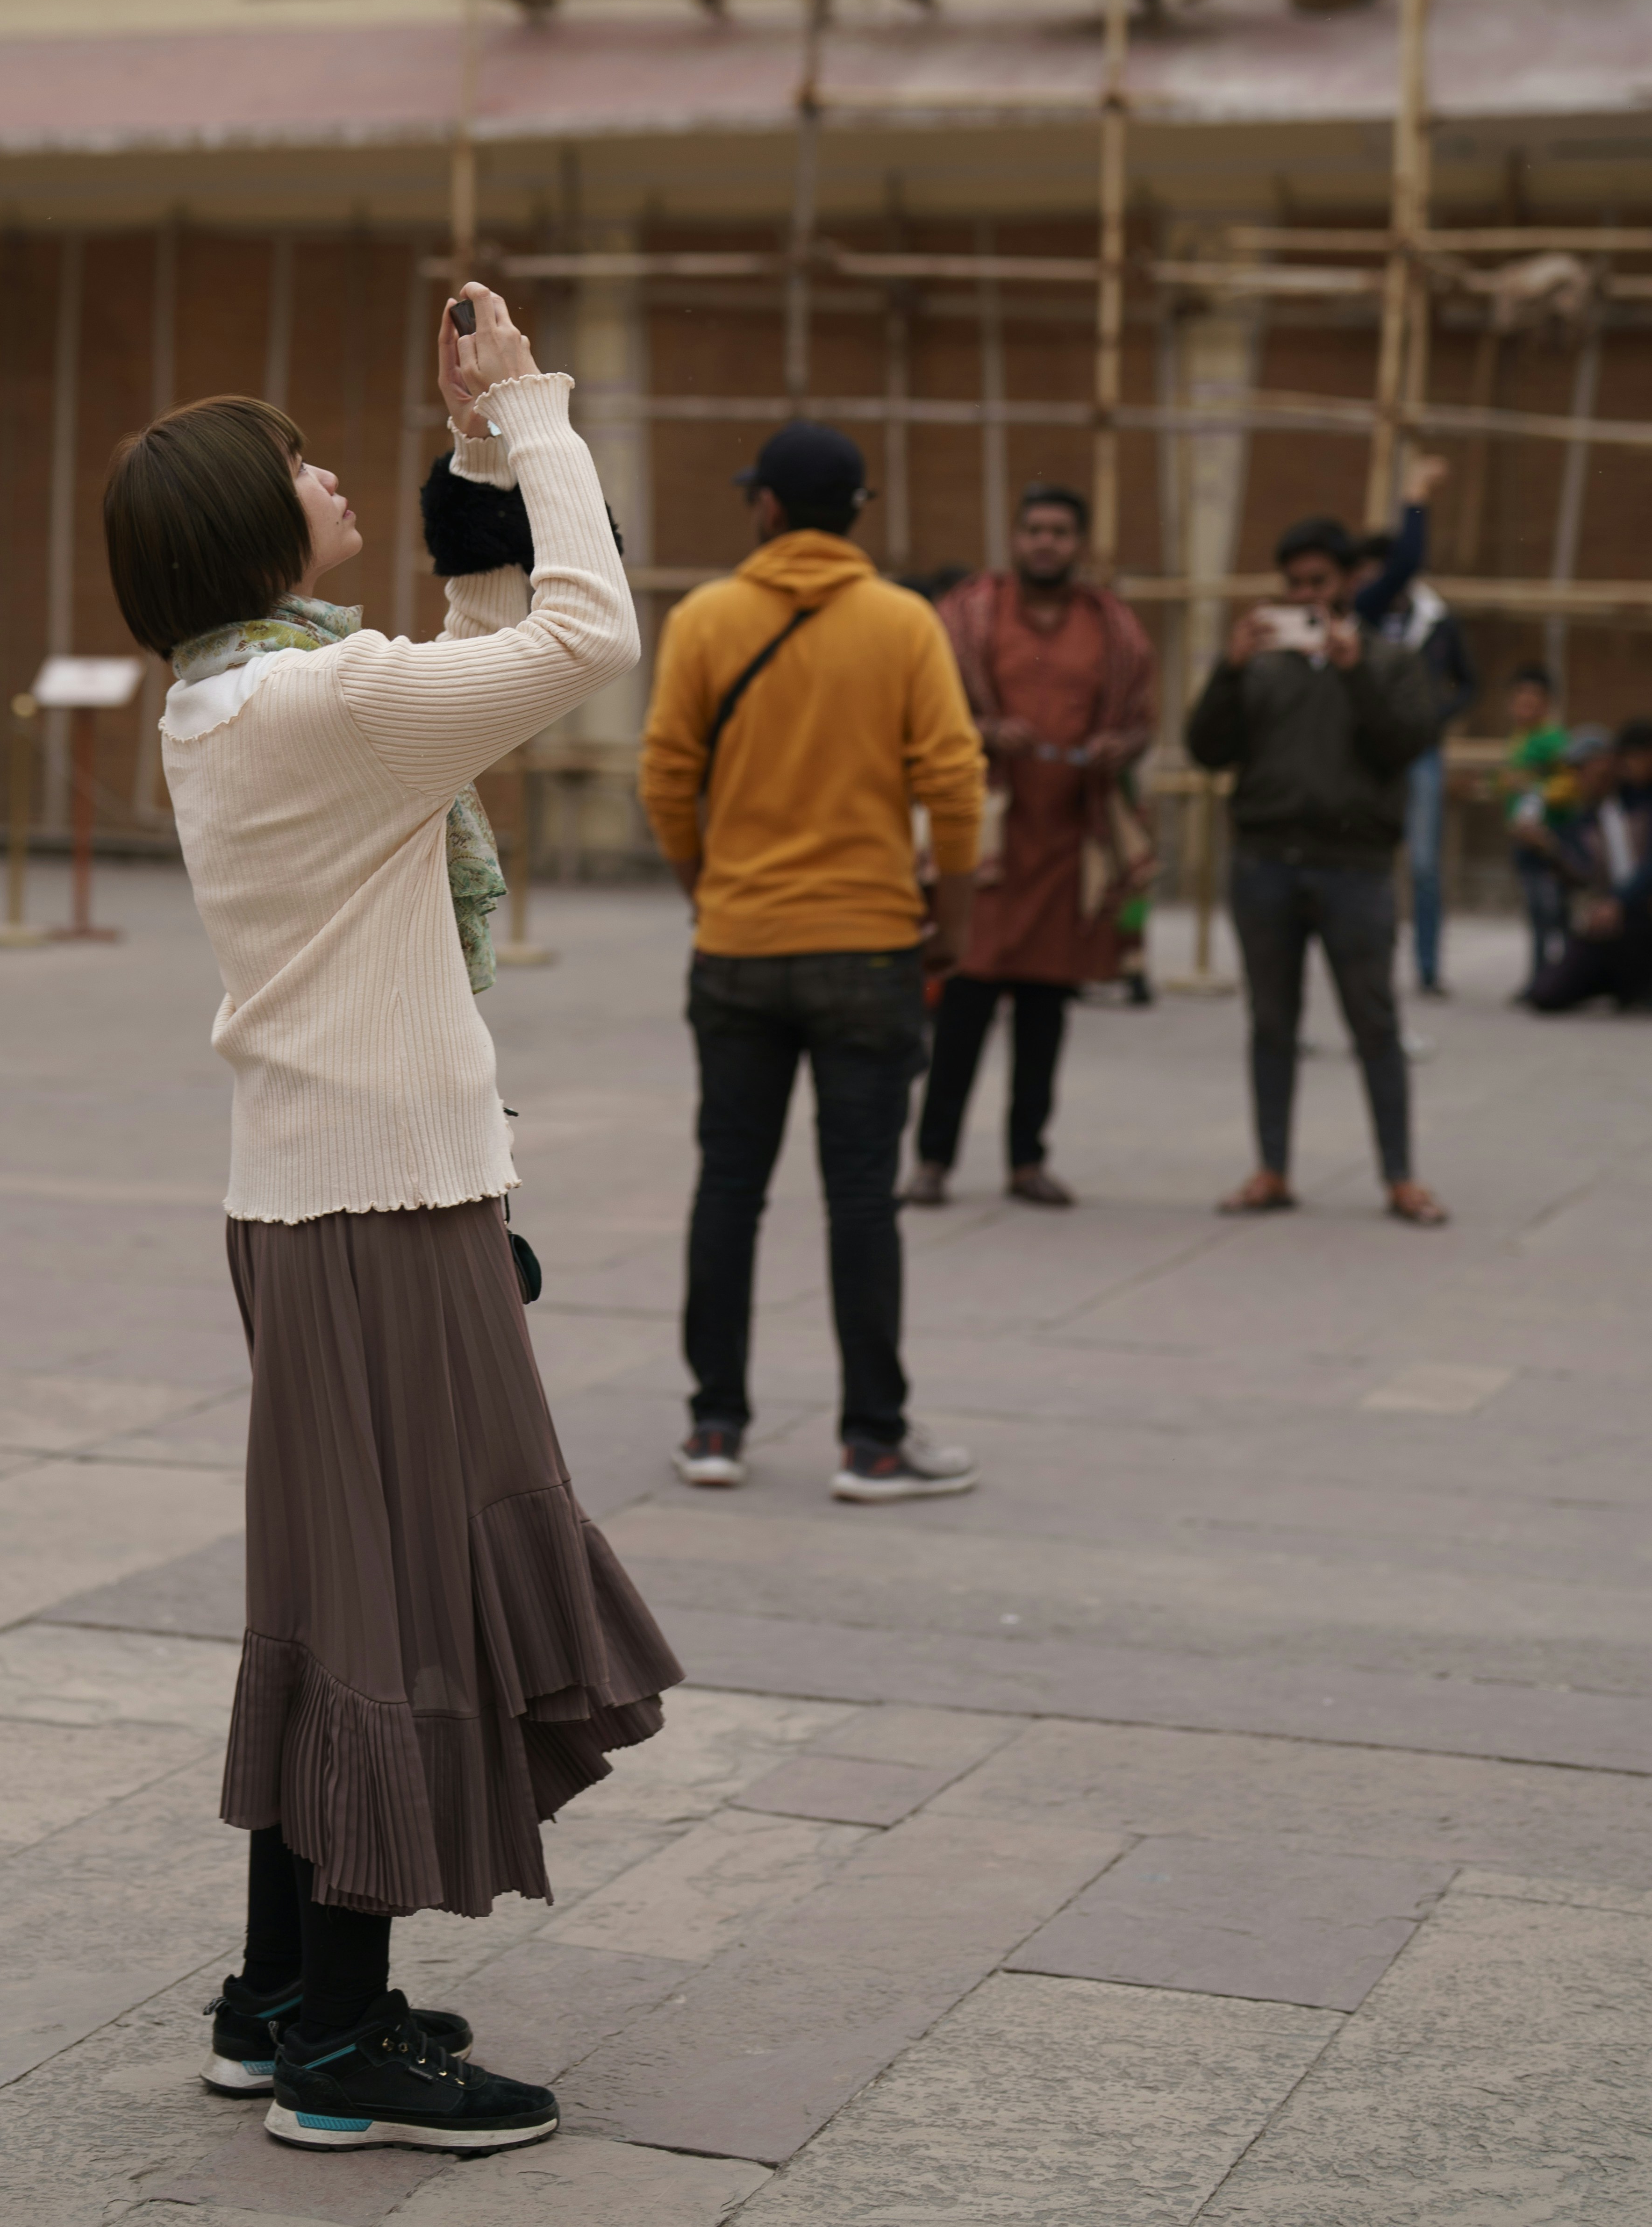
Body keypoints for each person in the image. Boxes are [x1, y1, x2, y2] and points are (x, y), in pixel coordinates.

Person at [105, 285, 679, 2159]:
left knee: (339, 1584)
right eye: (306, 463)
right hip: (373, 1206)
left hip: (330, 1192)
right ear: (253, 524)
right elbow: (587, 633)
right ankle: (342, 2041)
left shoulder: (251, 690)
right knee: (390, 1594)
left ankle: (278, 1999)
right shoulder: (323, 700)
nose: (326, 468)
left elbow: (478, 648)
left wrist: (461, 461)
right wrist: (532, 413)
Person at [637, 419, 987, 1504]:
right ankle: (872, 1441)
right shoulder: (902, 623)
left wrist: (711, 889)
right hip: (869, 948)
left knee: (729, 1186)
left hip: (739, 948)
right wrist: (955, 919)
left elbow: (662, 778)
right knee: (859, 1197)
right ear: (854, 513)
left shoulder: (704, 618)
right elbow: (954, 784)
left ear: (769, 507)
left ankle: (714, 1427)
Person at [1185, 514, 1448, 1225]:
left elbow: (1404, 745)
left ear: (1348, 585)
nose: (1307, 597)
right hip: (1266, 862)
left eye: (1320, 583)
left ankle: (1399, 1176)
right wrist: (1228, 670)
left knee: (1374, 1023)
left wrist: (1355, 671)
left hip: (1354, 868)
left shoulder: (1389, 662)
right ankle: (1272, 1168)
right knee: (1272, 1022)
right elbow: (1206, 749)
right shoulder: (1263, 661)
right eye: (1295, 584)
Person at [908, 482, 1156, 1209]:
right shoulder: (969, 617)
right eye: (1035, 530)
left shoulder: (1113, 628)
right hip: (983, 849)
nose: (1046, 542)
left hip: (1064, 847)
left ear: (1080, 544)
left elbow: (1144, 719)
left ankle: (1027, 1162)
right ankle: (932, 1160)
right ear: (1016, 537)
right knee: (963, 1010)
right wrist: (980, 731)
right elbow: (926, 703)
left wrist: (1121, 745)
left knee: (1047, 1014)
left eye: (1060, 532)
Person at [1349, 505, 1476, 999]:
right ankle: (1366, 959)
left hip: (1420, 750)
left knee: (1423, 863)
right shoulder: (1363, 617)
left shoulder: (1436, 620)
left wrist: (1436, 715)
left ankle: (1427, 966)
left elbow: (1469, 681)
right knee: (1367, 854)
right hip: (1370, 752)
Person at [1527, 721, 1652, 1013]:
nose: (1583, 778)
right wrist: (1548, 849)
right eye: (1577, 771)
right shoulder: (1581, 821)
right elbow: (1580, 876)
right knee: (1546, 994)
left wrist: (1619, 901)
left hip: (1641, 914)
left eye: (1587, 768)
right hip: (1605, 924)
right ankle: (1612, 981)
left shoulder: (1642, 804)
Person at [1499, 664, 1573, 996]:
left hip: (1548, 839)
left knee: (1553, 910)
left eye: (1533, 699)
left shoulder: (1555, 740)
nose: (1525, 706)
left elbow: (1569, 783)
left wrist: (1538, 788)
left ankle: (1561, 975)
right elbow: (1511, 785)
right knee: (1536, 912)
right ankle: (1541, 977)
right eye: (1520, 699)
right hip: (1523, 839)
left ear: (1547, 703)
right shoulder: (1518, 739)